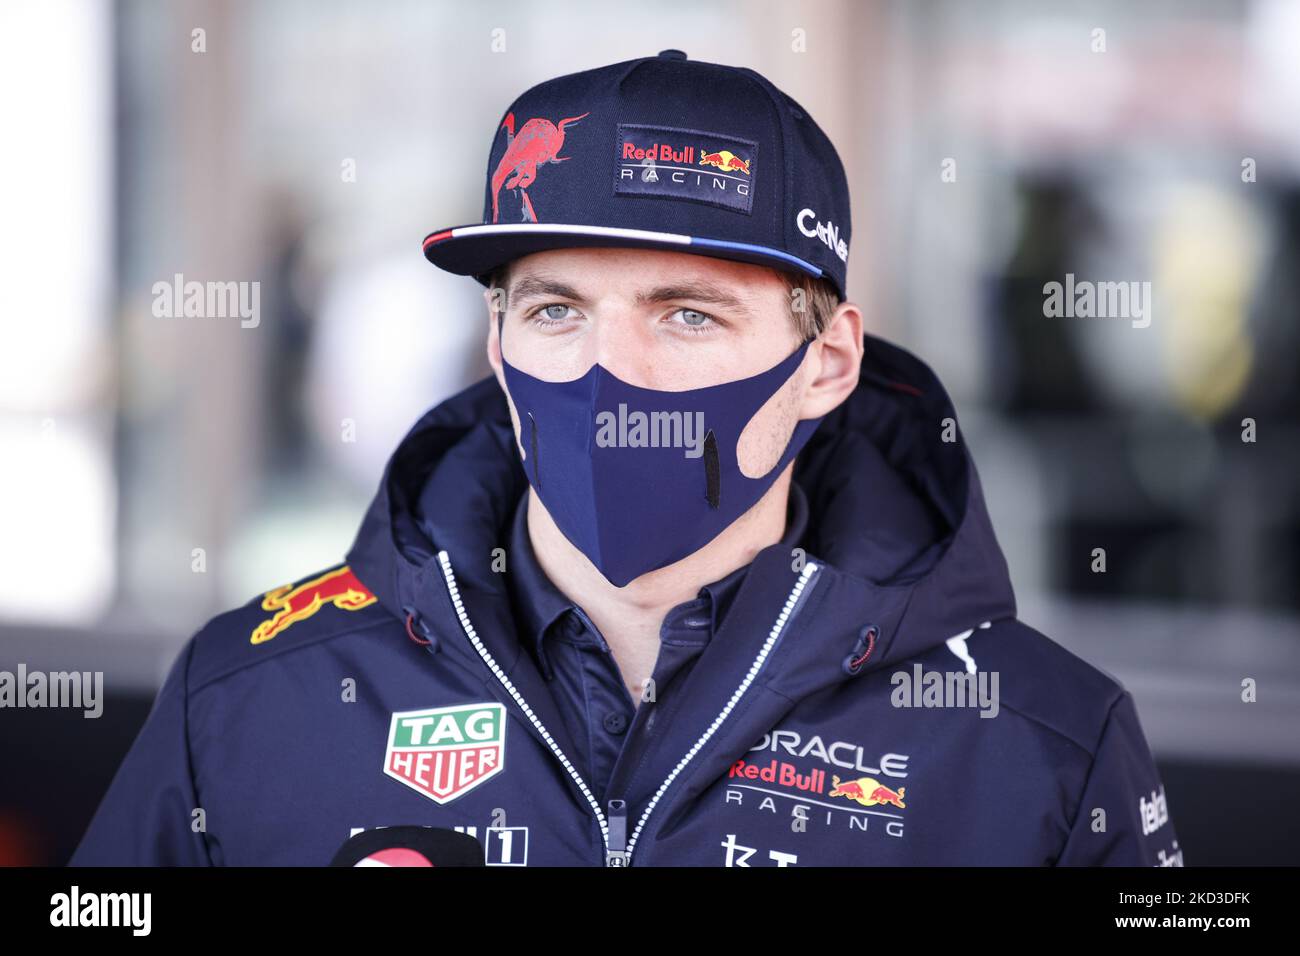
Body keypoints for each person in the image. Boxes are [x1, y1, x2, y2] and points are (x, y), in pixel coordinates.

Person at [70, 49, 1181, 867]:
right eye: (556, 310)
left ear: (827, 361)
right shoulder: (250, 694)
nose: (614, 375)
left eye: (686, 314)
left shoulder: (1039, 743)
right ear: (496, 346)